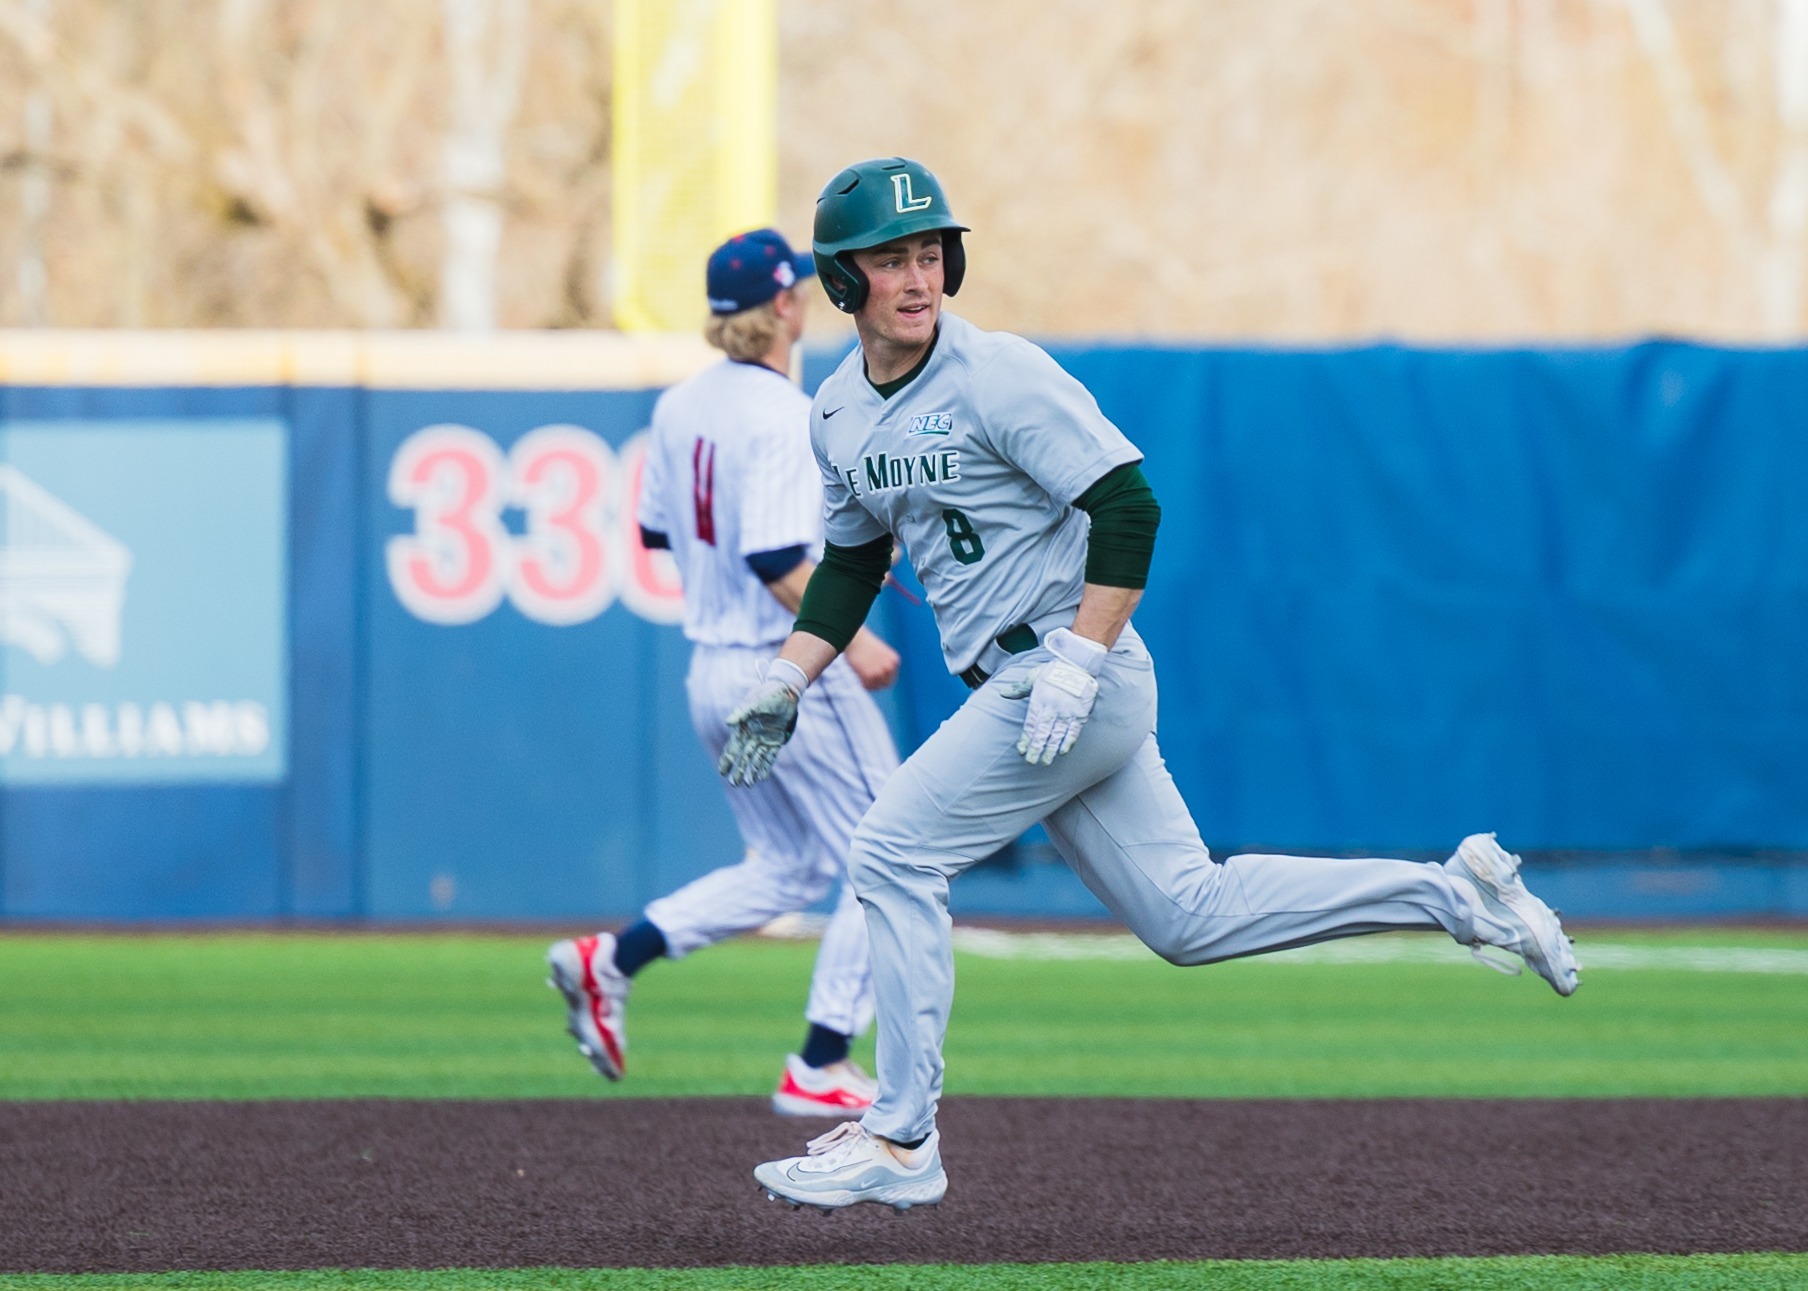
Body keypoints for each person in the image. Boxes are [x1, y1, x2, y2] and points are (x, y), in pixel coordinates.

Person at [717, 159, 1580, 1211]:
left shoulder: (997, 372)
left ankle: (900, 1138)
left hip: (1067, 670)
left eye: (929, 253)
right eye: (891, 258)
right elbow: (852, 562)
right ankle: (1454, 894)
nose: (918, 276)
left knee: (890, 851)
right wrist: (789, 676)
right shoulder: (837, 410)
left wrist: (1078, 660)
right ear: (842, 279)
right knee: (1188, 916)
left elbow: (1128, 506)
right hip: (1027, 683)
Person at [547, 227, 905, 1118]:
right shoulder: (781, 411)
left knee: (790, 865)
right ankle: (822, 1059)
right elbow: (774, 555)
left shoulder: (681, 405)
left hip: (712, 667)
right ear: (784, 305)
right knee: (899, 852)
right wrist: (852, 636)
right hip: (786, 666)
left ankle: (612, 959)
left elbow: (656, 531)